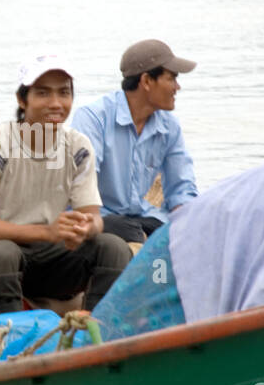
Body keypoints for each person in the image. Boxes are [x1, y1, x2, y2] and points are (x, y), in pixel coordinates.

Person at [0, 56, 132, 316]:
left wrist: (85, 227)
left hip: (47, 260)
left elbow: (94, 217)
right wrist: (47, 232)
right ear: (22, 100)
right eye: (43, 93)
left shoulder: (78, 147)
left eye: (64, 92)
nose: (56, 103)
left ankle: (94, 333)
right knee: (3, 253)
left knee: (114, 248)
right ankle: (9, 339)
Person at [72, 39, 198, 246]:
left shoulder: (169, 127)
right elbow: (82, 186)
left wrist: (187, 225)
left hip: (140, 215)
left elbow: (181, 188)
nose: (178, 87)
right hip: (97, 216)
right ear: (147, 81)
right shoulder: (94, 119)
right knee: (124, 240)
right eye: (172, 78)